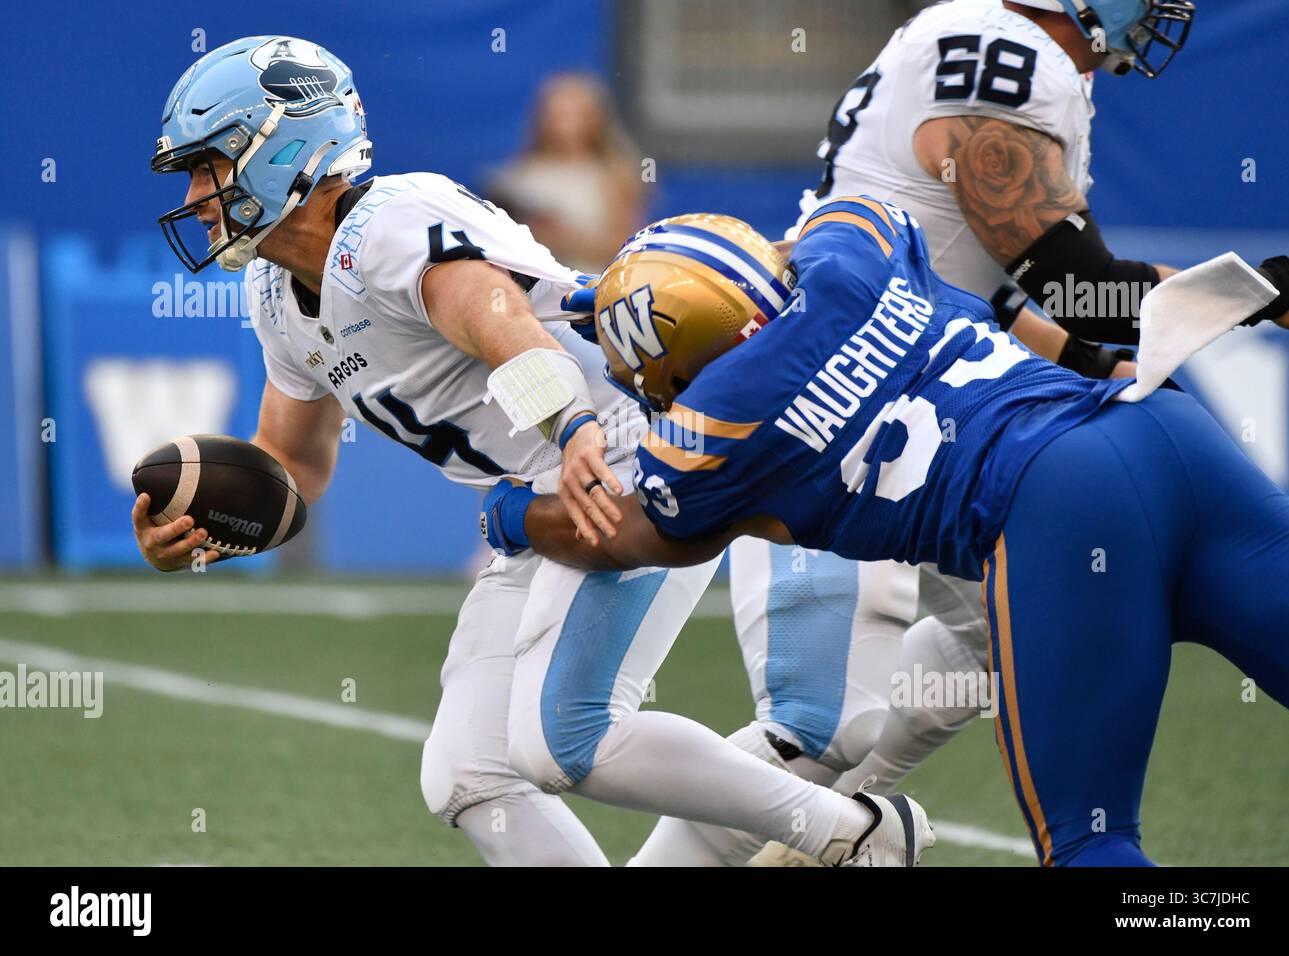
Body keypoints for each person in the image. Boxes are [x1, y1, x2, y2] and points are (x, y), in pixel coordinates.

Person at [136, 35, 933, 868]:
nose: (196, 196)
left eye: (209, 166)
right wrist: (211, 531)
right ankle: (842, 832)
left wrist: (572, 430)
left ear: (285, 148)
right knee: (469, 774)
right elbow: (293, 462)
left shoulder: (385, 228)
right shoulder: (274, 290)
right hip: (548, 479)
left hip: (627, 444)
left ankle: (852, 836)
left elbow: (500, 324)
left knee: (567, 738)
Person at [637, 0, 1289, 866]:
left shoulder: (977, 44)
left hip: (921, 400)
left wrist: (1094, 366)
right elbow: (1072, 277)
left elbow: (984, 290)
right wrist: (1264, 292)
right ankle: (831, 832)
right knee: (828, 718)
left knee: (970, 660)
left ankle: (839, 827)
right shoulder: (1007, 49)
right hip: (841, 417)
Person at [484, 200, 1289, 866]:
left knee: (1094, 842)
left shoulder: (716, 428)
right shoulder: (853, 249)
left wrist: (513, 514)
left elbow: (623, 538)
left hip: (1058, 506)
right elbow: (804, 241)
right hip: (1163, 430)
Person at [488, 73, 646, 275]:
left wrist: (563, 237)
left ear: (594, 119)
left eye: (574, 116)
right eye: (557, 115)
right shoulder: (521, 175)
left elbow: (628, 245)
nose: (563, 126)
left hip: (591, 290)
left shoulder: (614, 175)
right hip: (536, 289)